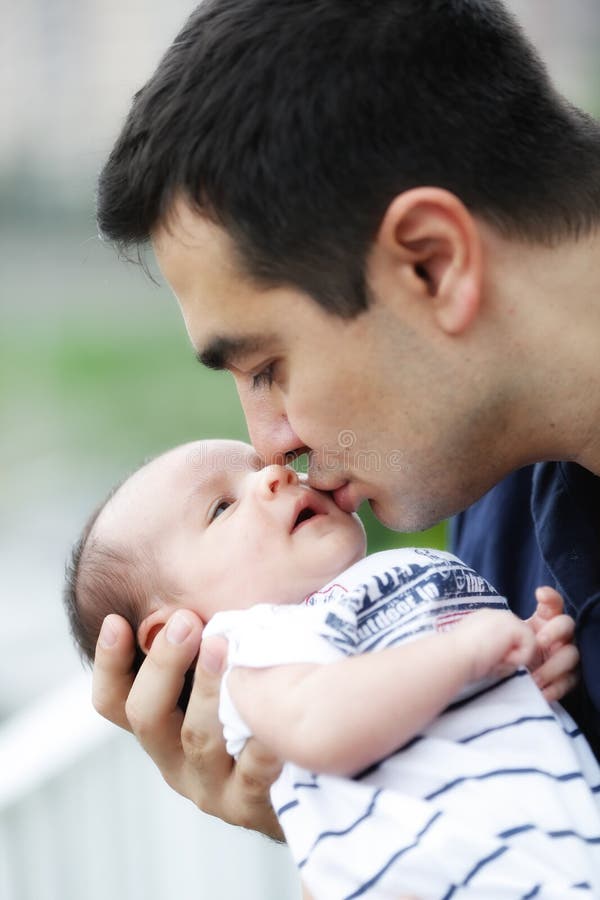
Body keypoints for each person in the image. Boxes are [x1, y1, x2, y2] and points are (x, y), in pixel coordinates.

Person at [92, 0, 600, 836]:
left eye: (266, 368)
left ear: (431, 264)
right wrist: (372, 813)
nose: (269, 445)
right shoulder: (489, 516)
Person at [65, 439, 600, 898]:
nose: (277, 472)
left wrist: (527, 663)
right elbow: (319, 726)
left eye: (259, 468)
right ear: (176, 634)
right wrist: (469, 653)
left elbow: (443, 698)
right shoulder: (256, 647)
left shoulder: (370, 589)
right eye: (221, 508)